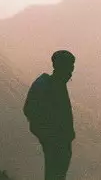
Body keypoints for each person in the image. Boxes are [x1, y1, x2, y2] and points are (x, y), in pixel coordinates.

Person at [24, 50, 76, 180]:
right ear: (60, 67)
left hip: (59, 142)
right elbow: (30, 109)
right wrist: (48, 135)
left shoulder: (55, 84)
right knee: (55, 174)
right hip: (56, 142)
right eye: (69, 68)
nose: (71, 73)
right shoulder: (49, 86)